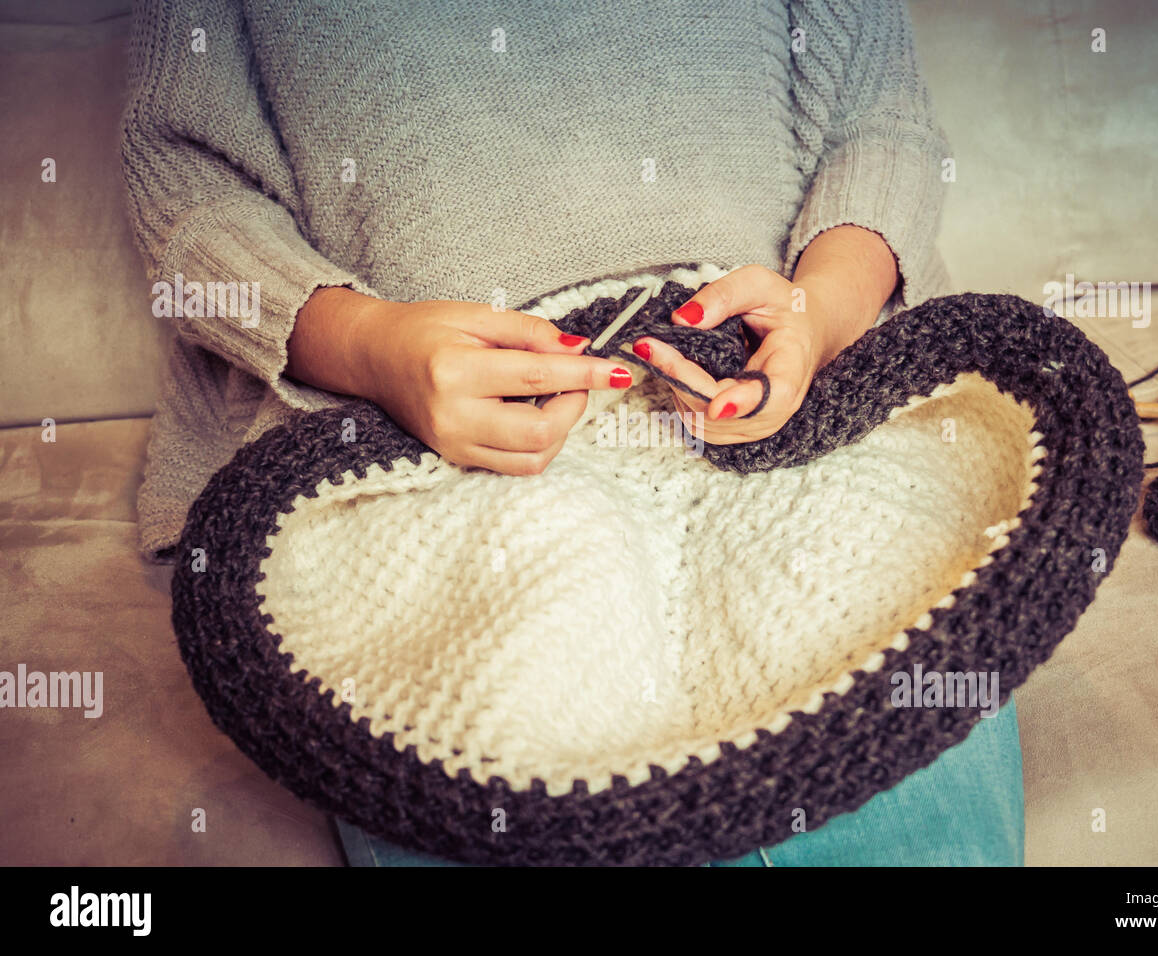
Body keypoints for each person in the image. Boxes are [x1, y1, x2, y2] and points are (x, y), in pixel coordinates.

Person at [121, 0, 1024, 866]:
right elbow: (185, 189)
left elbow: (881, 118)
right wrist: (369, 346)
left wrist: (819, 308)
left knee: (880, 688)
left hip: (790, 370)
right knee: (492, 729)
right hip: (418, 420)